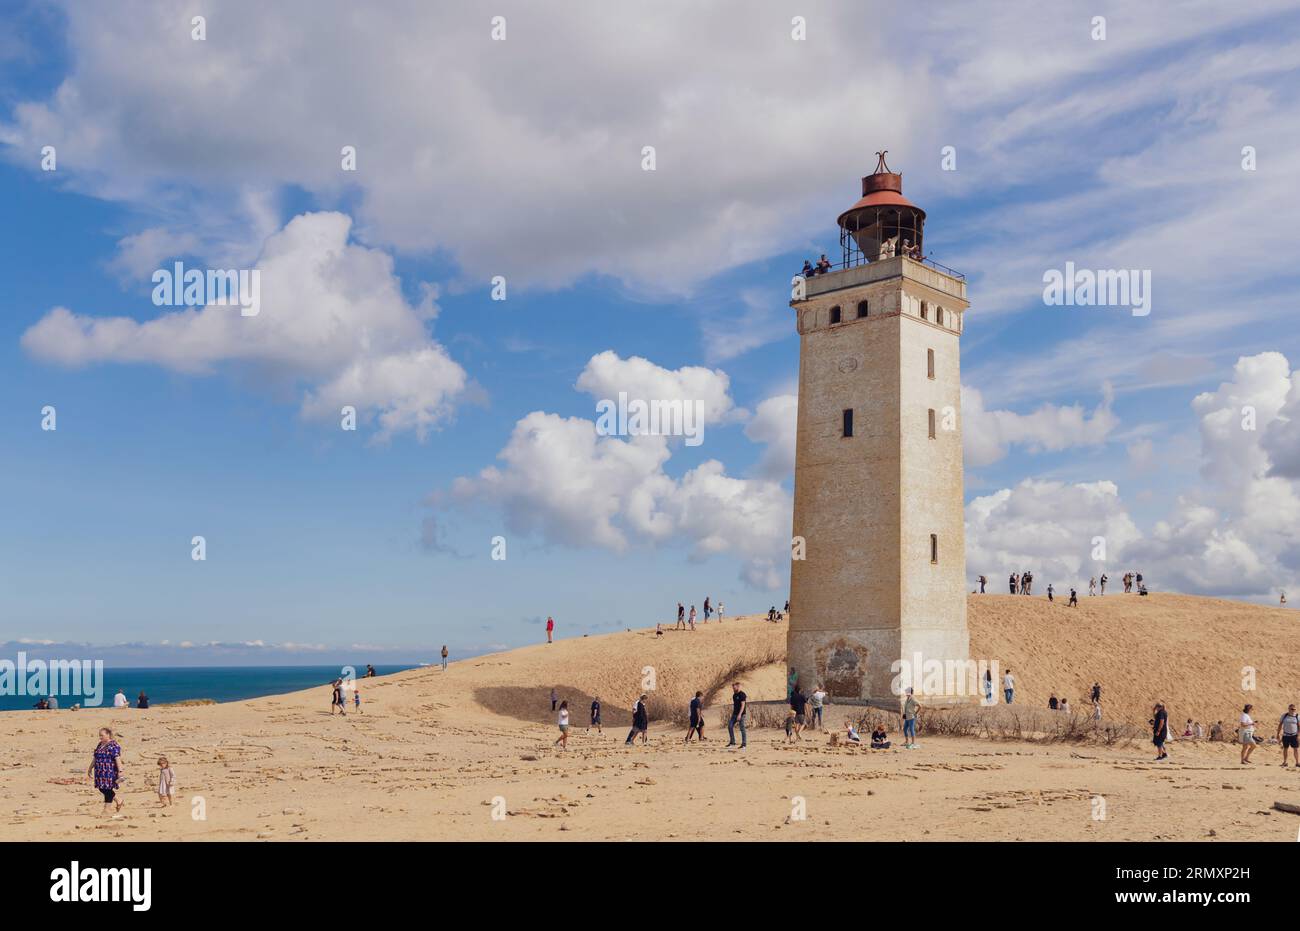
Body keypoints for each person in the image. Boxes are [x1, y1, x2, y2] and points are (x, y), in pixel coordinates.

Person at [89, 727, 123, 816]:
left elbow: (117, 758)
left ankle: (106, 809)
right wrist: (90, 768)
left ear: (108, 735)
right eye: (99, 735)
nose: (100, 737)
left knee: (107, 789)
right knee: (102, 788)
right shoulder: (100, 744)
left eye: (102, 735)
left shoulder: (113, 745)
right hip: (100, 772)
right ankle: (118, 800)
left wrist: (120, 771)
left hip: (109, 771)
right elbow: (95, 757)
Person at [727, 682, 748, 749]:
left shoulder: (742, 694)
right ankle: (732, 742)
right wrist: (734, 714)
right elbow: (736, 705)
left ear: (738, 686)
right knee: (730, 726)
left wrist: (739, 715)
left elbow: (743, 705)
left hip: (741, 714)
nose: (733, 689)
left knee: (742, 728)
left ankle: (744, 744)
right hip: (734, 714)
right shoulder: (734, 695)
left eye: (734, 687)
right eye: (732, 688)